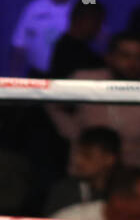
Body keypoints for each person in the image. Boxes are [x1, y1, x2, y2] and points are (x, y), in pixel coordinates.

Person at [47, 32, 140, 166]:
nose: (133, 63)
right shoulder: (85, 80)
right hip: (87, 166)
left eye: (138, 57)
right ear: (110, 57)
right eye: (125, 55)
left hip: (133, 170)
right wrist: (75, 134)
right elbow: (53, 104)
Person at [42, 126, 121, 216]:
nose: (78, 161)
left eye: (87, 155)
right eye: (77, 154)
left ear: (109, 159)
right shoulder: (65, 190)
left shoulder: (125, 193)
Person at [10, 0, 75, 78]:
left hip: (70, 77)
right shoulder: (34, 8)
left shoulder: (80, 8)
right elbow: (19, 46)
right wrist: (14, 78)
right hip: (37, 76)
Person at [48, 0, 106, 79]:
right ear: (80, 19)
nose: (99, 27)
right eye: (97, 21)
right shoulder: (67, 48)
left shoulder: (85, 48)